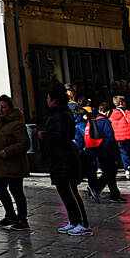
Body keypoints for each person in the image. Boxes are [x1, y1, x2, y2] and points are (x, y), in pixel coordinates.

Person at [38, 84, 91, 235]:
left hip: (64, 158)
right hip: (58, 157)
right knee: (64, 191)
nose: (47, 101)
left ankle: (83, 222)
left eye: (48, 98)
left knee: (71, 190)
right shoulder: (57, 114)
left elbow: (61, 136)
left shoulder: (61, 115)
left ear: (55, 100)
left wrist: (44, 135)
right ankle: (74, 220)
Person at [0, 94, 30, 230]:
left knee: (16, 190)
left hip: (13, 164)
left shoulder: (16, 124)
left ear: (10, 108)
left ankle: (22, 219)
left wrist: (8, 151)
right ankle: (10, 214)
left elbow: (24, 143)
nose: (0, 110)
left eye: (3, 107)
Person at [86, 103, 123, 202]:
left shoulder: (93, 120)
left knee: (109, 171)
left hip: (96, 149)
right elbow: (110, 137)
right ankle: (96, 188)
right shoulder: (105, 121)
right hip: (107, 150)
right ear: (108, 112)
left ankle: (114, 194)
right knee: (110, 171)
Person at [73, 98, 99, 197]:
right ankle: (93, 188)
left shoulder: (73, 123)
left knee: (82, 169)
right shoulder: (82, 125)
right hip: (85, 150)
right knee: (91, 170)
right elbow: (87, 136)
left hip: (78, 150)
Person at [108, 96, 130, 174]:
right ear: (121, 103)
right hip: (128, 135)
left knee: (123, 152)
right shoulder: (126, 112)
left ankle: (127, 166)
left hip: (117, 136)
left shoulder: (111, 113)